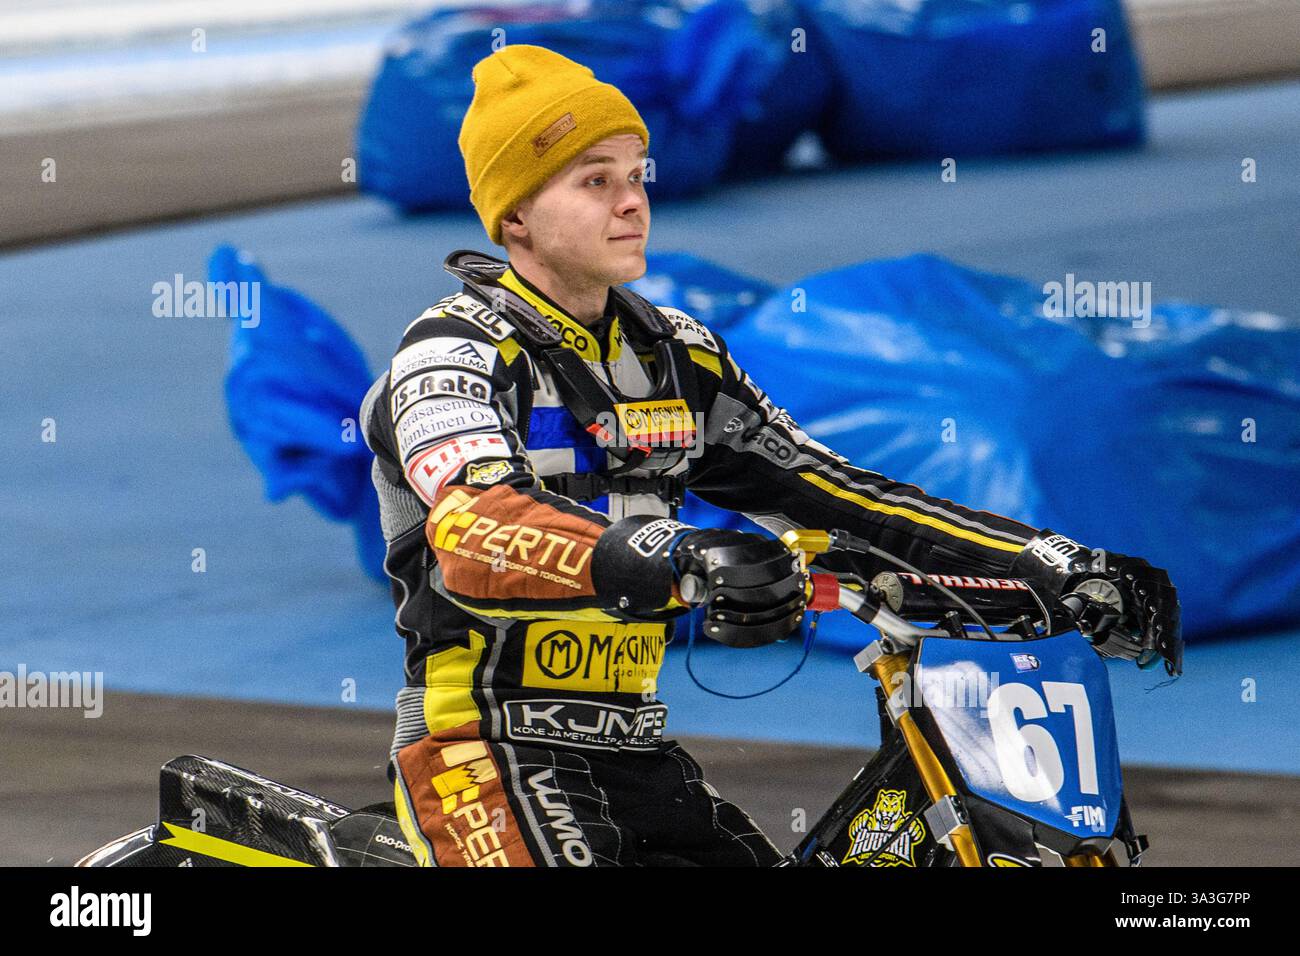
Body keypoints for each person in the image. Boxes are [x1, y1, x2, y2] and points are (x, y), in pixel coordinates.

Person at [359, 44, 1180, 867]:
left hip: (636, 751)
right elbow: (472, 528)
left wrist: (1053, 561)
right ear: (514, 218)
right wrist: (676, 550)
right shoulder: (451, 350)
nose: (632, 202)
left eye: (638, 174)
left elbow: (837, 493)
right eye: (594, 180)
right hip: (480, 748)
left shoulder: (679, 353)